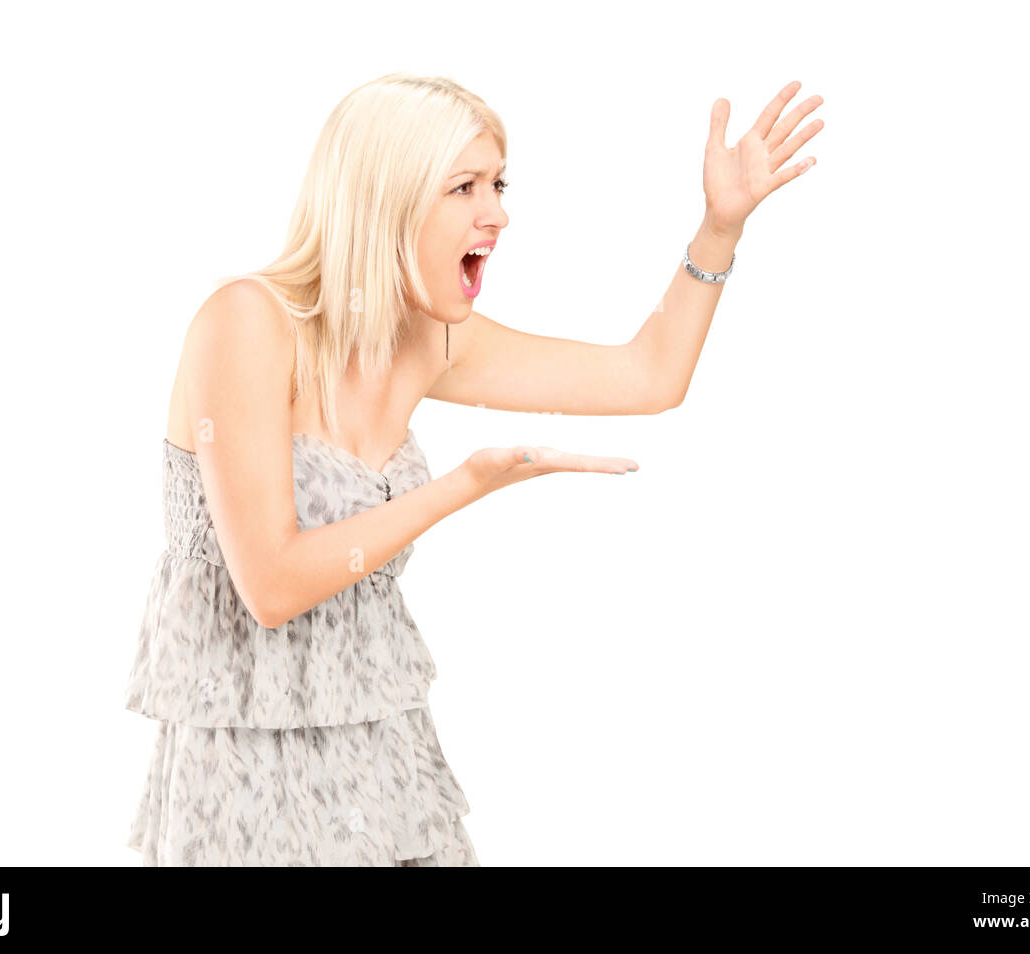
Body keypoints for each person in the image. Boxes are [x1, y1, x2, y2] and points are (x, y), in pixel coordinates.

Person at [123, 72, 824, 866]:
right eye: (464, 187)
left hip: (380, 749)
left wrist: (719, 231)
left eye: (497, 183)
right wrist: (464, 485)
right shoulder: (247, 321)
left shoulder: (428, 336)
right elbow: (272, 586)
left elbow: (649, 377)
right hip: (246, 768)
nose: (497, 213)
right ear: (386, 197)